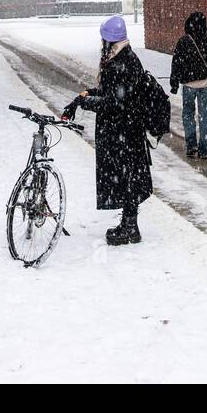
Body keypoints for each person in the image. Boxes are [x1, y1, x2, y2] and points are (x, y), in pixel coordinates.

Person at [62, 14, 152, 245]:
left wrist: (86, 103)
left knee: (127, 176)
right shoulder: (123, 57)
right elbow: (113, 92)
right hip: (125, 129)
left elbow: (115, 102)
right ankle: (128, 223)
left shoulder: (121, 62)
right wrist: (90, 93)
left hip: (123, 131)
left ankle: (131, 228)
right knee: (126, 176)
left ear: (109, 40)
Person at [169, 12, 207, 159]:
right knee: (204, 116)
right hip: (206, 83)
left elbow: (176, 62)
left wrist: (174, 82)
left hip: (189, 83)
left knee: (188, 115)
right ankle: (203, 149)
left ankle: (191, 146)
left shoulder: (184, 41)